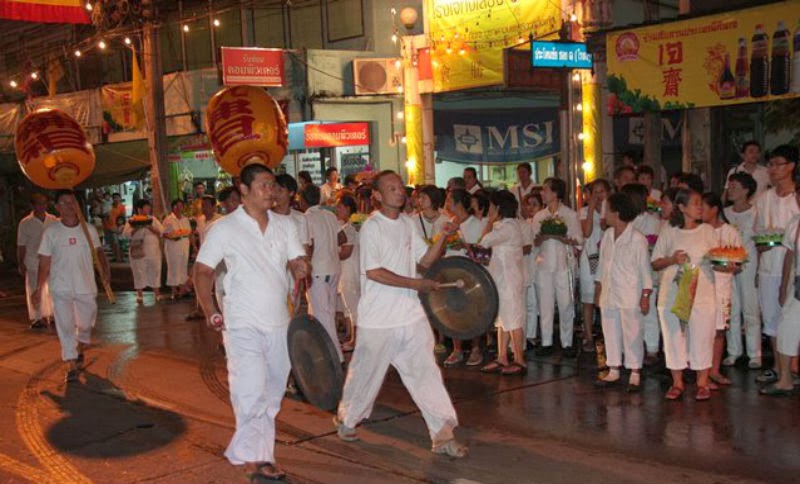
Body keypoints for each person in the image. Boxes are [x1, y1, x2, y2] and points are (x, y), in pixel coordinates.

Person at [333, 170, 467, 458]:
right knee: (365, 374)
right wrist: (416, 284)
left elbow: (424, 261)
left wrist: (443, 237)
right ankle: (347, 418)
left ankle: (442, 435)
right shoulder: (372, 227)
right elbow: (374, 272)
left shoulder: (407, 223)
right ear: (377, 195)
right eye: (391, 188)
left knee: (426, 373)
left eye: (400, 187)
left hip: (410, 315)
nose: (399, 192)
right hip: (378, 318)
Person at [194, 164, 309, 481]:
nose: (271, 191)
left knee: (272, 393)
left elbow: (296, 259)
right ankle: (256, 459)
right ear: (243, 190)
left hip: (279, 321)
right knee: (250, 389)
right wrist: (209, 309)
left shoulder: (285, 225)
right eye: (263, 185)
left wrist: (301, 267)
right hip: (242, 322)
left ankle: (255, 453)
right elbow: (202, 271)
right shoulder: (225, 228)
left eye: (273, 185)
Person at [34, 190, 110, 383]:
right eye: (65, 203)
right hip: (61, 287)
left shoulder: (89, 230)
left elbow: (99, 253)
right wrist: (38, 288)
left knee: (85, 324)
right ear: (57, 207)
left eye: (72, 202)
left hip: (86, 286)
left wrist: (106, 272)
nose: (69, 206)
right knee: (65, 326)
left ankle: (80, 346)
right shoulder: (51, 232)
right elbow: (44, 262)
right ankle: (71, 363)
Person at [651, 189, 718, 401]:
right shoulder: (669, 230)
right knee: (673, 335)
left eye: (701, 203)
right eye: (696, 203)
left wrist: (726, 264)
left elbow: (720, 259)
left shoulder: (708, 231)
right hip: (673, 290)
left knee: (702, 335)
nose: (700, 207)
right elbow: (655, 262)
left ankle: (702, 382)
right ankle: (677, 382)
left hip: (702, 291)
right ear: (681, 207)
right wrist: (672, 260)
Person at [594, 192, 652, 391]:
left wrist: (645, 296)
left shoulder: (637, 239)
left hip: (629, 293)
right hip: (609, 291)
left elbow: (645, 271)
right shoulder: (608, 236)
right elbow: (602, 266)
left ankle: (635, 372)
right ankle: (613, 368)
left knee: (632, 332)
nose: (605, 215)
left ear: (617, 213)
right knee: (610, 330)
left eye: (608, 210)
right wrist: (598, 290)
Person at [753, 145, 799, 383]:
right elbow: (758, 234)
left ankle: (792, 367)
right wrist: (764, 244)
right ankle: (780, 368)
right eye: (769, 164)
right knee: (771, 317)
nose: (771, 169)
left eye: (777, 164)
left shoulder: (797, 197)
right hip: (769, 266)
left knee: (793, 317)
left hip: (794, 268)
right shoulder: (764, 199)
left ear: (790, 166)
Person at [532, 177, 583, 357]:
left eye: (545, 190)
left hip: (564, 264)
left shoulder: (569, 214)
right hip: (544, 264)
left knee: (565, 303)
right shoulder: (539, 216)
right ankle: (546, 341)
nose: (542, 193)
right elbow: (534, 242)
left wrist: (564, 238)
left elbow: (579, 240)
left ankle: (567, 342)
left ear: (555, 193)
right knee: (545, 304)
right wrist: (542, 237)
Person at [478, 190, 527, 376]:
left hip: (509, 280)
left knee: (513, 319)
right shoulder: (504, 226)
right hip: (502, 279)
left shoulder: (508, 227)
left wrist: (489, 222)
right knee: (502, 319)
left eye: (492, 206)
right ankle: (502, 357)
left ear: (498, 208)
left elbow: (483, 241)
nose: (489, 210)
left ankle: (519, 360)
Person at [760, 182, 800, 396]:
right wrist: (784, 286)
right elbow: (790, 255)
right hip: (797, 283)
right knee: (786, 327)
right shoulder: (795, 223)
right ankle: (785, 379)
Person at [442, 188, 487, 367]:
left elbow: (481, 251)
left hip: (469, 271)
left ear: (458, 203)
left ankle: (475, 349)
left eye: (449, 199)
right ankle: (457, 349)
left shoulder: (475, 223)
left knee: (473, 311)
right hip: (451, 270)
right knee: (453, 310)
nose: (446, 203)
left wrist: (463, 245)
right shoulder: (449, 222)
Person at [701, 192, 741, 388]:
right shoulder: (699, 231)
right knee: (702, 330)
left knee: (718, 330)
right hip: (701, 287)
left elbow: (738, 263)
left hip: (722, 287)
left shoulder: (729, 232)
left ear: (714, 209)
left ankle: (714, 371)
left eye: (703, 207)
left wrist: (728, 265)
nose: (699, 211)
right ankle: (702, 372)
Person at [723, 173, 762, 368]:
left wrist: (759, 269)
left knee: (750, 308)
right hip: (728, 264)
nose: (730, 190)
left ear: (746, 190)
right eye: (730, 186)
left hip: (749, 264)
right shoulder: (725, 213)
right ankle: (733, 351)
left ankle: (755, 353)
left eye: (735, 187)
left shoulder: (756, 213)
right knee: (731, 308)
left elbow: (759, 241)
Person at [302, 183, 344, 361]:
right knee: (328, 313)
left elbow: (309, 245)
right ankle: (324, 352)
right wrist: (328, 244)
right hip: (334, 268)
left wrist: (306, 268)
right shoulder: (330, 215)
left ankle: (335, 357)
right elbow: (342, 237)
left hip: (318, 271)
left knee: (323, 316)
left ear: (302, 200)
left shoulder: (306, 218)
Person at [623, 183, 662, 364]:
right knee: (631, 312)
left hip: (647, 271)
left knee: (649, 311)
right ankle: (632, 347)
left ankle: (652, 347)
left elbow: (655, 248)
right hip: (628, 274)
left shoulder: (652, 221)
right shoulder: (625, 222)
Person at [17, 193, 57, 329]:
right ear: (32, 205)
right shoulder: (25, 223)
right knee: (34, 287)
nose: (42, 206)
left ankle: (53, 314)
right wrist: (21, 263)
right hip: (33, 259)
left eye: (44, 203)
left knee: (53, 287)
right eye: (39, 203)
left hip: (51, 259)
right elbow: (21, 245)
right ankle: (37, 317)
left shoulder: (53, 220)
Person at [578, 179, 610, 353]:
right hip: (590, 256)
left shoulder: (611, 210)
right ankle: (589, 336)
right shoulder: (583, 211)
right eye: (595, 192)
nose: (598, 195)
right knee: (589, 298)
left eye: (602, 191)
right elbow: (587, 232)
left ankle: (608, 335)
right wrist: (591, 208)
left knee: (606, 297)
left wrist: (605, 211)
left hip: (608, 258)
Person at [122, 200, 164, 304]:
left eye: (149, 207)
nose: (148, 209)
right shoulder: (132, 220)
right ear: (139, 209)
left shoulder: (152, 219)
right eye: (146, 207)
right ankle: (139, 294)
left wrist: (150, 227)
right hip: (138, 250)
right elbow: (126, 234)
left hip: (153, 250)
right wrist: (137, 227)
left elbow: (161, 232)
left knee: (155, 270)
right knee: (138, 271)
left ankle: (157, 293)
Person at [335, 194, 360, 351]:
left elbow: (346, 252)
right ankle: (351, 337)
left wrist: (328, 253)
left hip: (349, 272)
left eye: (340, 207)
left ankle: (355, 341)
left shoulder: (350, 229)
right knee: (348, 307)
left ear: (348, 209)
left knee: (353, 307)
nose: (337, 210)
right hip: (346, 272)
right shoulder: (346, 227)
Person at [522, 190, 543, 346]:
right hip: (527, 265)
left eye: (534, 205)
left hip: (540, 264)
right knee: (529, 301)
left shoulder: (543, 222)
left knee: (537, 302)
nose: (530, 208)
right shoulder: (523, 223)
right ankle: (529, 334)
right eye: (528, 205)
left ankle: (536, 333)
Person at [163, 199, 193, 300]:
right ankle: (173, 290)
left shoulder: (185, 219)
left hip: (184, 245)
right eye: (178, 206)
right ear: (174, 207)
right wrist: (172, 236)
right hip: (173, 246)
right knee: (173, 267)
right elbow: (164, 233)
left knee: (183, 267)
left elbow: (189, 232)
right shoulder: (168, 219)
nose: (180, 208)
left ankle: (182, 290)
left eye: (181, 206)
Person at [103, 192, 125, 262]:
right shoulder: (109, 207)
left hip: (117, 228)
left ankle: (119, 258)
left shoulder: (122, 207)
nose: (116, 199)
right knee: (111, 243)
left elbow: (122, 218)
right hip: (108, 227)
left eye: (117, 197)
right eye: (114, 198)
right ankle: (116, 256)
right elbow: (105, 216)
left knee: (117, 243)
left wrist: (121, 227)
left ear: (120, 198)